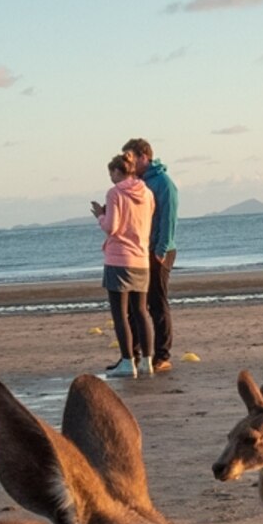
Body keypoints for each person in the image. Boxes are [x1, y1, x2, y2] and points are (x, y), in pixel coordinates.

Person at [121, 136, 179, 371]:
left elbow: (168, 218)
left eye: (131, 157)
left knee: (157, 303)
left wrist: (161, 249)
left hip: (159, 250)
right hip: (139, 251)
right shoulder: (137, 182)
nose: (128, 162)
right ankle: (133, 354)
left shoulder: (163, 183)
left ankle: (163, 355)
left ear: (144, 157)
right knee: (135, 305)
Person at [93, 154, 153, 377]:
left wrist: (101, 215)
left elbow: (112, 227)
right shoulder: (147, 193)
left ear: (119, 172)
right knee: (140, 311)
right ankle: (146, 360)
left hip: (119, 258)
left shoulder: (115, 193)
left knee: (120, 314)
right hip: (141, 257)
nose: (110, 177)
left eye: (112, 173)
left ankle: (128, 361)